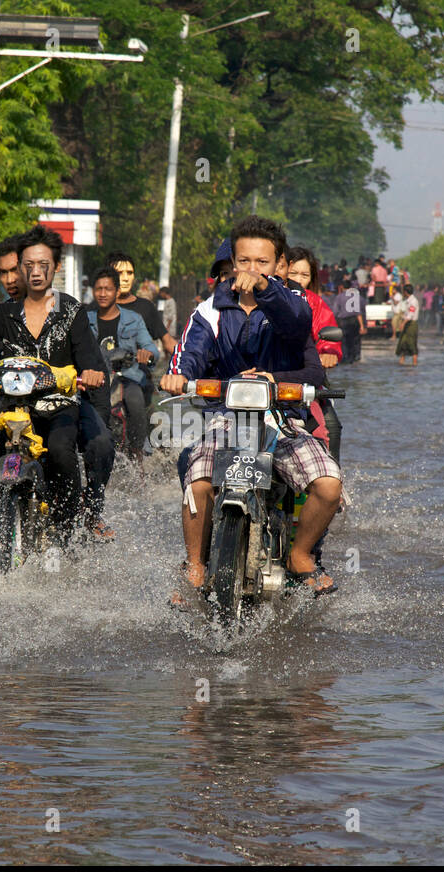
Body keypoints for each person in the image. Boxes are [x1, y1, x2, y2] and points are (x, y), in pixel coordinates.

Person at [161, 215, 340, 601]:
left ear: (279, 265)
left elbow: (298, 331)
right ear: (232, 261)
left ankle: (300, 555)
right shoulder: (210, 309)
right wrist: (177, 375)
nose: (251, 270)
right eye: (244, 261)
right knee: (198, 481)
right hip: (224, 417)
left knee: (328, 485)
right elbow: (187, 354)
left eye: (262, 262)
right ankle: (194, 564)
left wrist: (276, 379)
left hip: (283, 420)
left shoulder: (294, 302)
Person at [0, 227, 108, 542]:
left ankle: (65, 530)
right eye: (29, 265)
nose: (36, 272)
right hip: (11, 406)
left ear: (56, 267)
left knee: (61, 450)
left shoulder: (71, 310)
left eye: (44, 264)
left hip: (59, 405)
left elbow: (87, 354)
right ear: (21, 268)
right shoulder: (5, 313)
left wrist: (89, 371)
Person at [87, 266, 158, 462]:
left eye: (108, 289)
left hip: (127, 378)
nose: (102, 293)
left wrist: (147, 354)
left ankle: (137, 454)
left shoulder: (134, 319)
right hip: (94, 380)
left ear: (117, 292)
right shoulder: (85, 319)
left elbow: (152, 348)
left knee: (135, 402)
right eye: (98, 289)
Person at [286, 246, 345, 459]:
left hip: (304, 382)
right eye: (293, 273)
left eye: (304, 275)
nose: (298, 280)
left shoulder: (313, 301)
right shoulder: (260, 298)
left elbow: (325, 331)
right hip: (266, 380)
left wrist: (328, 352)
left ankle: (331, 485)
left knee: (330, 429)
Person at [330, 279, 366, 364]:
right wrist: (363, 326)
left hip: (344, 321)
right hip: (355, 321)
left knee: (344, 340)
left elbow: (335, 312)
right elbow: (360, 312)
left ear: (342, 287)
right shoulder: (357, 297)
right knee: (355, 340)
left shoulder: (339, 297)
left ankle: (345, 358)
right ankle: (356, 357)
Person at [396, 283, 420, 366]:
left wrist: (403, 323)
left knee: (411, 343)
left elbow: (411, 314)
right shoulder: (407, 301)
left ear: (406, 292)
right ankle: (401, 361)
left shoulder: (413, 301)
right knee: (403, 343)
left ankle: (414, 363)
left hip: (411, 325)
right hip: (407, 323)